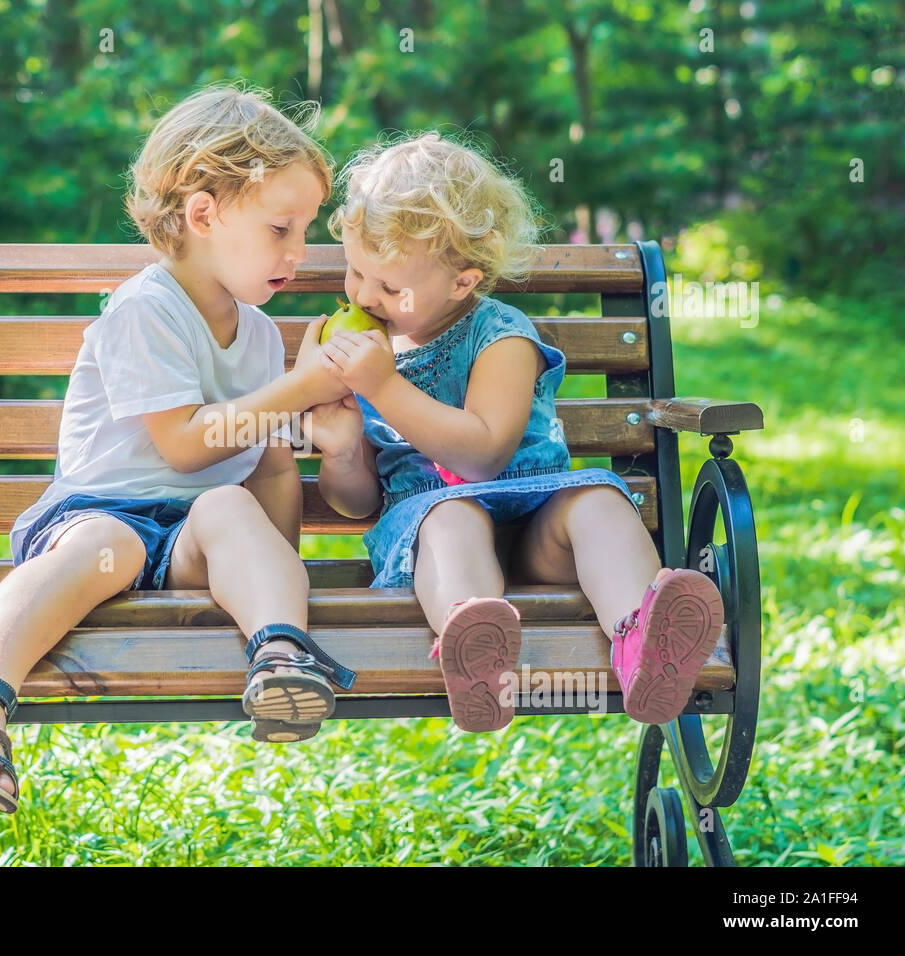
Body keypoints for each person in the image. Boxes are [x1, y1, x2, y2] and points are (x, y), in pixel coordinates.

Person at [0, 85, 358, 814]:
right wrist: (300, 389)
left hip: (189, 538)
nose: (300, 254)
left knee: (229, 507)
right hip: (98, 516)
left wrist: (272, 575)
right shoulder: (146, 310)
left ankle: (281, 656)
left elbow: (272, 466)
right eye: (281, 228)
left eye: (305, 231)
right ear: (204, 213)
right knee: (110, 542)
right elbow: (181, 443)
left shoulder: (263, 336)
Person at [303, 132, 724, 734]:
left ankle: (644, 643)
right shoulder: (364, 354)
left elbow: (482, 456)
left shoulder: (501, 334)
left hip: (535, 523)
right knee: (451, 517)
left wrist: (384, 388)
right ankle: (476, 649)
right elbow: (358, 502)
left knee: (598, 500)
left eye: (391, 288)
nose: (364, 296)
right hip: (433, 540)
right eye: (355, 272)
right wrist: (343, 446)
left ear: (463, 283)